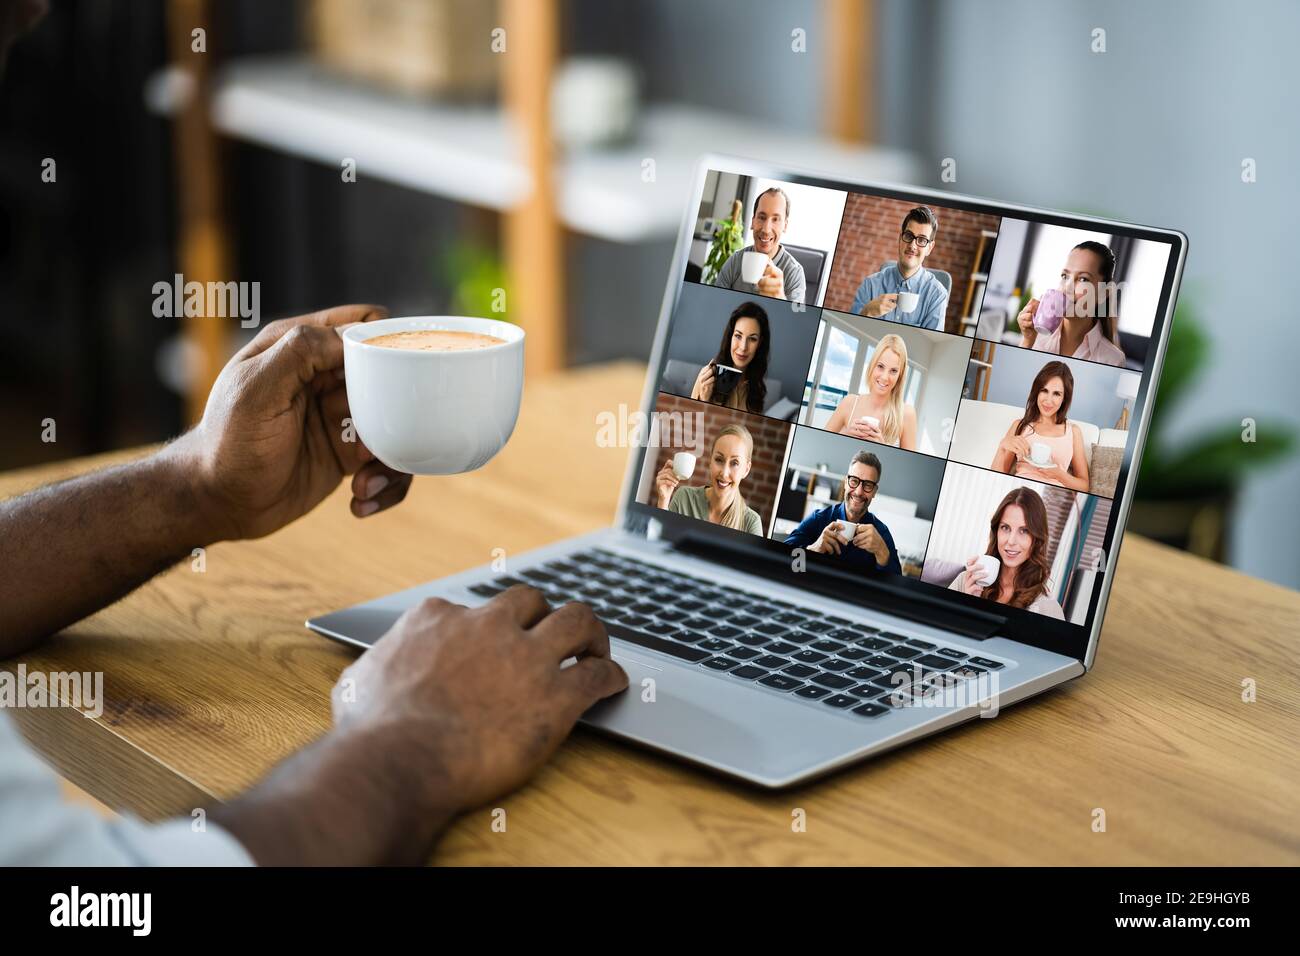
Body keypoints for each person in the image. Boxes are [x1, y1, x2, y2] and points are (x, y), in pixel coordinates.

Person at [948, 486, 1064, 619]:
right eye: (1005, 528)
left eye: (1024, 530)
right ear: (996, 531)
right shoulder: (964, 582)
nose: (1011, 541)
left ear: (1036, 539)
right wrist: (967, 604)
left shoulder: (1048, 608)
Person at [783, 451, 902, 574]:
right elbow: (781, 561)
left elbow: (898, 587)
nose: (859, 492)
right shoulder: (818, 518)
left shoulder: (881, 533)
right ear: (846, 482)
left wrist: (882, 552)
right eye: (854, 481)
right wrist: (814, 549)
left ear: (874, 491)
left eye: (867, 485)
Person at [1016, 240, 1126, 367]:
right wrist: (1027, 341)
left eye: (1083, 279)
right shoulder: (1037, 336)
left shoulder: (1113, 360)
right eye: (1065, 276)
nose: (1067, 287)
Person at [991, 361, 1090, 492]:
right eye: (1044, 390)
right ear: (1037, 392)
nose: (1048, 400)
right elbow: (995, 478)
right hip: (1019, 490)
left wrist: (1059, 475)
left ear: (1064, 398)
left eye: (1056, 394)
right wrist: (1003, 445)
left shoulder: (1073, 431)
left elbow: (1084, 486)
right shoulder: (1020, 426)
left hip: (1051, 495)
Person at [848, 205, 948, 330]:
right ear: (900, 238)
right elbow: (849, 330)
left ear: (930, 248)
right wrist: (866, 312)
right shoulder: (870, 284)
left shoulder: (937, 295)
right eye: (908, 236)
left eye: (922, 240)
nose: (912, 245)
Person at [653, 424, 763, 535]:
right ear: (710, 461)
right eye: (719, 460)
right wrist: (663, 501)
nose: (724, 474)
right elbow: (659, 543)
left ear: (746, 470)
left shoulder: (751, 523)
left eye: (734, 463)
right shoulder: (684, 497)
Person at [709, 186, 806, 303]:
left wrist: (780, 299)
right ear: (752, 221)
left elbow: (796, 319)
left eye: (775, 219)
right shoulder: (735, 261)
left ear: (785, 226)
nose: (766, 229)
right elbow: (714, 301)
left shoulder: (795, 273)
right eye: (761, 217)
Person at [822, 333, 917, 450]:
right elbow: (821, 445)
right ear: (872, 365)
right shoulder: (849, 403)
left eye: (893, 371)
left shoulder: (907, 414)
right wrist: (844, 436)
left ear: (900, 375)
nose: (884, 377)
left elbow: (906, 465)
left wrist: (882, 448)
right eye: (880, 366)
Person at [689, 301, 770, 413]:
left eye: (752, 339)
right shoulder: (706, 378)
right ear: (730, 337)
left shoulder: (757, 389)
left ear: (759, 343)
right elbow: (690, 424)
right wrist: (703, 400)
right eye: (738, 336)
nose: (743, 347)